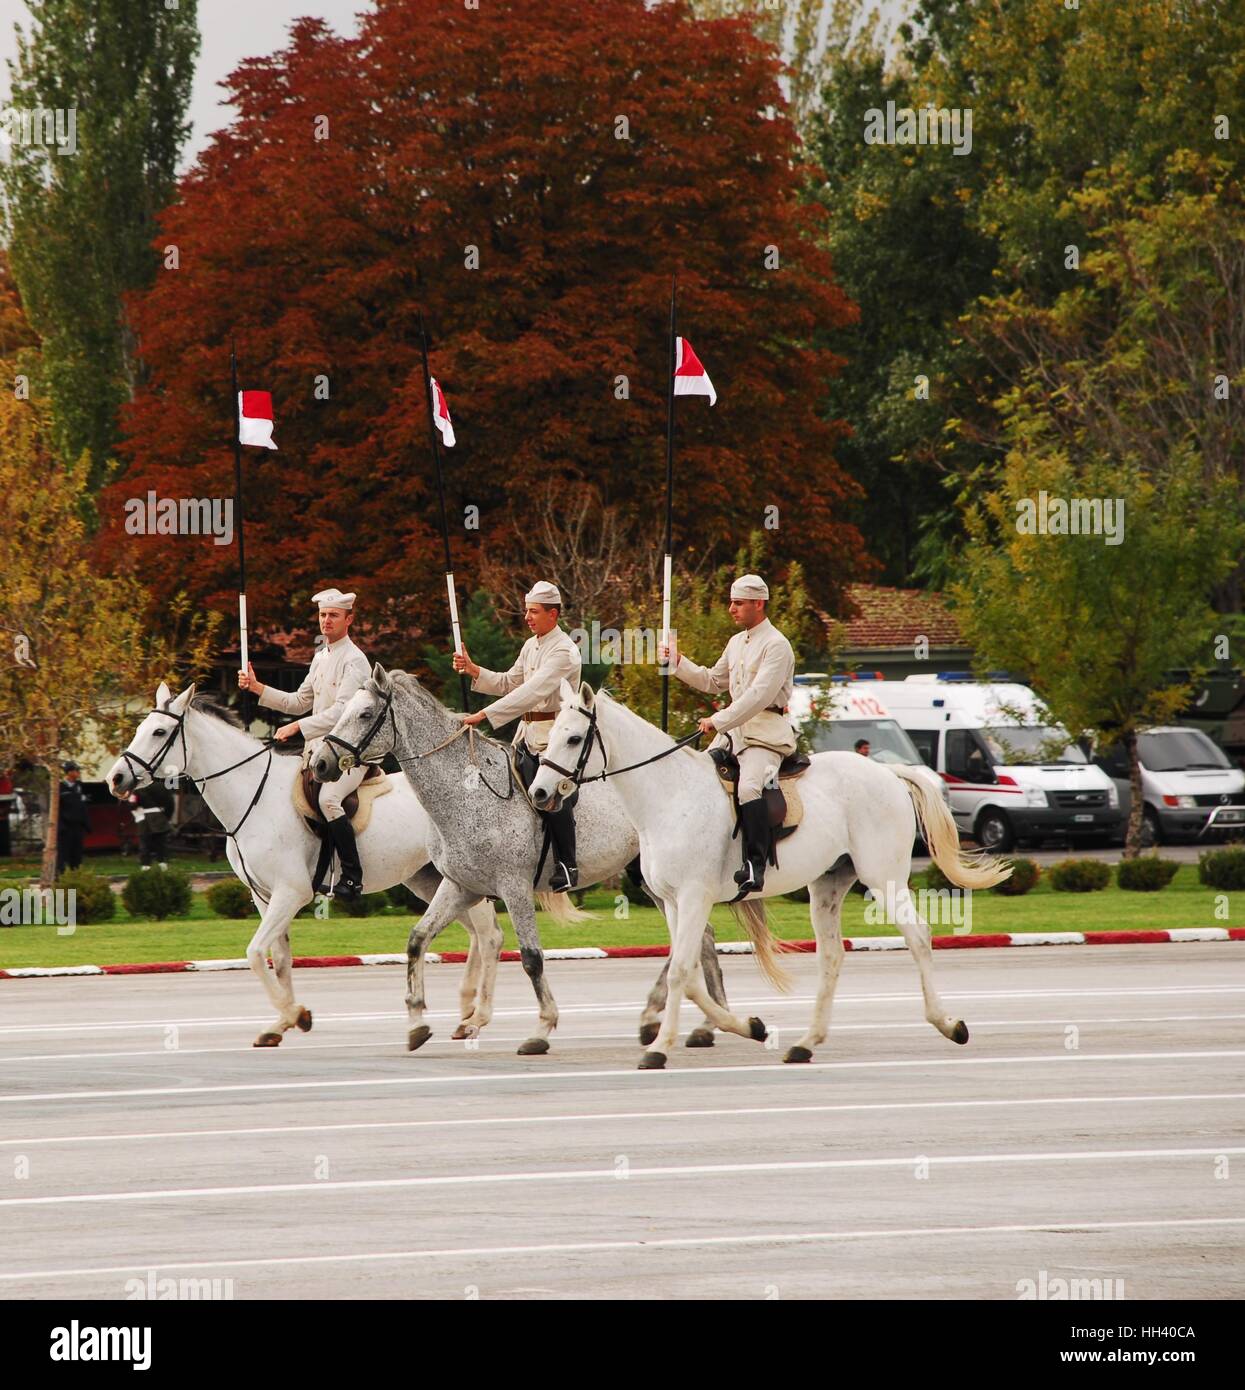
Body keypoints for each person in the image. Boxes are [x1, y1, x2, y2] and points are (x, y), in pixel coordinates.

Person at [659, 573, 796, 894]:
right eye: (731, 602)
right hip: (732, 736)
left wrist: (718, 720)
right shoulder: (737, 643)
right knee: (697, 782)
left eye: (738, 603)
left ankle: (754, 865)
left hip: (764, 735)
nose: (731, 609)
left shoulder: (777, 645)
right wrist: (678, 662)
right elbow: (711, 680)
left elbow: (759, 695)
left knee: (749, 788)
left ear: (758, 604)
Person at [237, 587, 371, 900]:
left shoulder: (355, 661)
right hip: (318, 754)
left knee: (329, 801)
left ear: (348, 619)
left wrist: (299, 726)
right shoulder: (321, 657)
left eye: (333, 615)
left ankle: (352, 878)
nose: (326, 621)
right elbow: (300, 701)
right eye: (323, 615)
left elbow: (343, 711)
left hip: (349, 755)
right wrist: (258, 688)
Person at [452, 581, 582, 891]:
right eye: (526, 611)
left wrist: (485, 715)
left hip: (556, 738)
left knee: (553, 796)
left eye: (533, 611)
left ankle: (567, 865)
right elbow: (511, 683)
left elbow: (532, 691)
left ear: (553, 614)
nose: (526, 617)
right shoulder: (530, 645)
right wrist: (473, 670)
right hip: (526, 736)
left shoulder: (564, 650)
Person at [128, 781, 174, 870]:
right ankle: (163, 865)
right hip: (160, 817)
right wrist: (166, 817)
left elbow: (132, 804)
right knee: (161, 843)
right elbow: (170, 803)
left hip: (143, 818)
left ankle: (145, 866)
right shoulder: (162, 786)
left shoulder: (137, 788)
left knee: (145, 843)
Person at [56, 761, 90, 875]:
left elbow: (83, 806)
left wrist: (86, 824)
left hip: (78, 827)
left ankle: (76, 876)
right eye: (76, 770)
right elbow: (58, 809)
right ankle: (60, 878)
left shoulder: (79, 786)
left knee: (77, 855)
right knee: (63, 854)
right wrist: (61, 826)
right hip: (65, 828)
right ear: (69, 772)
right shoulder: (60, 787)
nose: (78, 773)